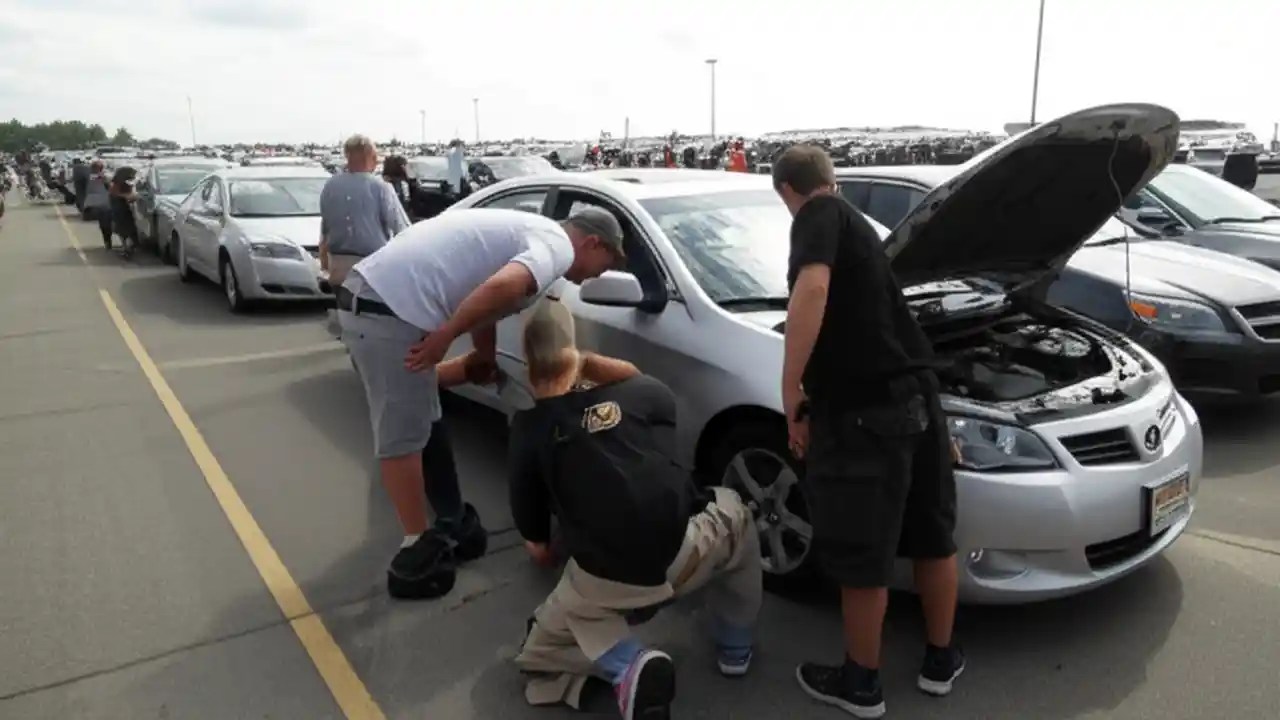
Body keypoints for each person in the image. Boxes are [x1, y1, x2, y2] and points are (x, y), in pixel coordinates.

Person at [337, 205, 624, 599]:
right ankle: (416, 547)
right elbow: (502, 287)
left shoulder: (534, 233)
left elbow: (492, 297)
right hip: (387, 310)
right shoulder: (556, 245)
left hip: (383, 300)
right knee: (402, 432)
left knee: (426, 416)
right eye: (604, 264)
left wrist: (485, 356)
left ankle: (449, 521)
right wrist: (445, 335)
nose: (597, 275)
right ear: (592, 243)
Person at [774, 145, 963, 719]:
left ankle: (861, 684)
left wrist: (791, 392)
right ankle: (940, 661)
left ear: (787, 190)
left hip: (865, 411)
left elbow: (811, 291)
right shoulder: (860, 229)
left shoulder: (817, 215)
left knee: (863, 554)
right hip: (919, 401)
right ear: (833, 179)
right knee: (933, 535)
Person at [509, 299, 761, 719]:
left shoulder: (527, 429)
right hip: (693, 547)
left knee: (545, 644)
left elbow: (537, 546)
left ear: (526, 360)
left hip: (611, 581)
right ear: (578, 352)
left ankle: (627, 667)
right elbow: (645, 381)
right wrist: (585, 364)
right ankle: (735, 647)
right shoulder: (638, 394)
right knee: (738, 517)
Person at [318, 135, 410, 290]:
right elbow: (402, 229)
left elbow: (325, 232)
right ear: (371, 157)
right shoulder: (381, 188)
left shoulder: (330, 186)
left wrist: (324, 265)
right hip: (371, 268)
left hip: (338, 269)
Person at [109, 167, 141, 259]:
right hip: (121, 210)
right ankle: (127, 248)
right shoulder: (119, 185)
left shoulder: (117, 184)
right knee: (126, 230)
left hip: (120, 210)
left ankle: (126, 248)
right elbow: (128, 197)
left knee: (123, 231)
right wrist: (130, 196)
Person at [82, 161, 113, 248]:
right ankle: (107, 241)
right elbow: (106, 181)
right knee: (105, 224)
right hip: (102, 204)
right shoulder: (96, 177)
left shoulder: (92, 176)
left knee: (104, 224)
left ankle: (107, 241)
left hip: (100, 204)